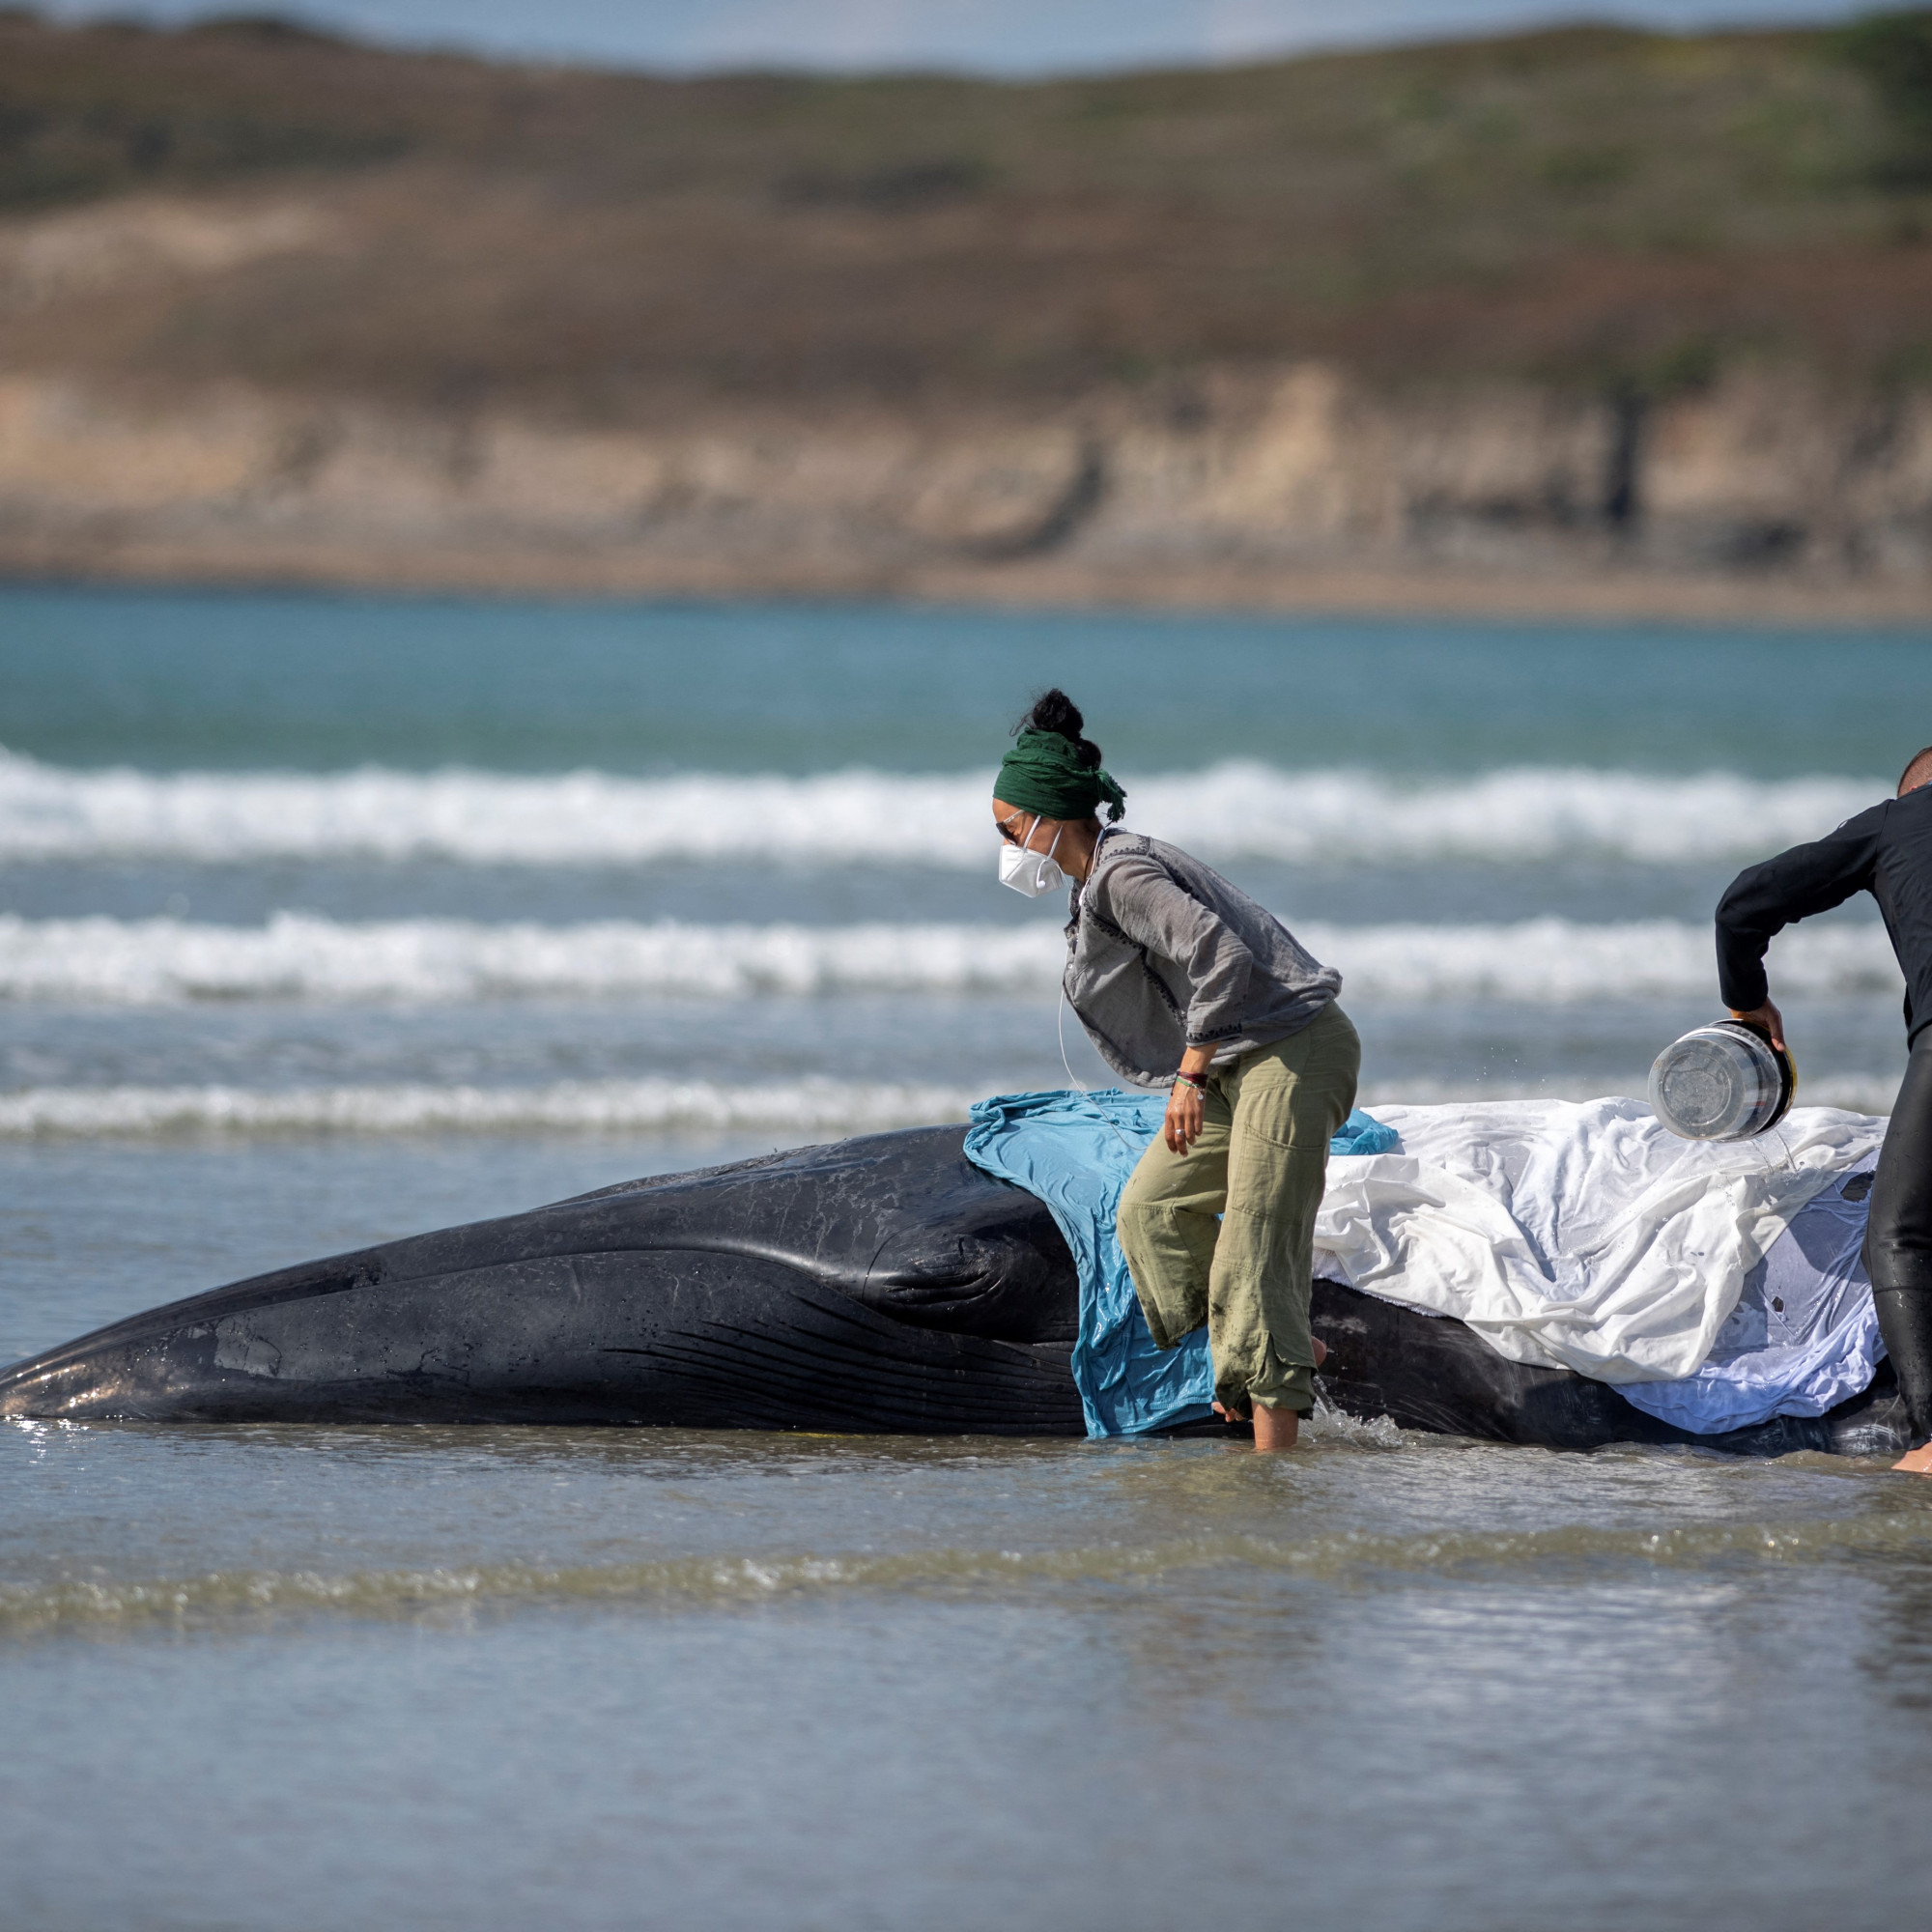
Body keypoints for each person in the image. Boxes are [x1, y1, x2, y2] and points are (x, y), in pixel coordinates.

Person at [991, 690, 1359, 1451]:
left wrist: (1189, 1076)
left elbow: (1217, 952)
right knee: (1150, 1214)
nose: (1002, 844)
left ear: (1046, 818)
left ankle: (1272, 1465)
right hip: (1235, 1058)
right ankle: (1265, 1356)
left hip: (1291, 1051)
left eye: (1005, 828)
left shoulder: (1122, 877)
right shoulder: (1093, 880)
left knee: (1254, 1251)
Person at [1717, 744, 1932, 1475]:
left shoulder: (1896, 823)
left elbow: (1744, 903)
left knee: (1900, 1237)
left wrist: (1748, 1001)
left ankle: (1931, 1436)